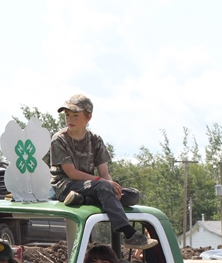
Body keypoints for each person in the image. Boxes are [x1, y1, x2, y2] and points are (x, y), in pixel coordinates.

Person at [50, 94, 157, 251]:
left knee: (132, 195)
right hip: (66, 186)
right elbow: (72, 173)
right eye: (67, 115)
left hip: (90, 187)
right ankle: (129, 234)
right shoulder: (59, 139)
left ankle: (82, 199)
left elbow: (104, 173)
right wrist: (103, 183)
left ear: (88, 117)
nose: (69, 119)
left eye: (75, 115)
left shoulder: (95, 139)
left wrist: (113, 188)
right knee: (103, 187)